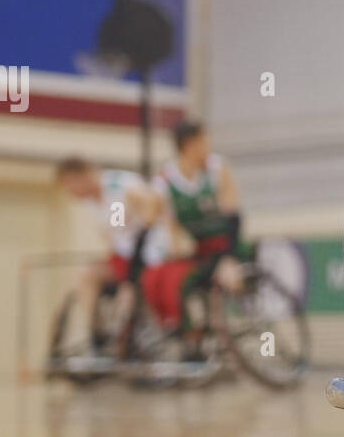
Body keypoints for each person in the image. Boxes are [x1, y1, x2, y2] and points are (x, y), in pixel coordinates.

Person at [55, 157, 165, 354]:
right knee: (87, 275)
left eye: (70, 185)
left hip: (147, 255)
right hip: (124, 257)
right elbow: (116, 234)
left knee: (126, 297)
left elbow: (153, 204)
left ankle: (133, 336)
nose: (71, 193)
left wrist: (145, 230)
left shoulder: (118, 185)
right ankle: (97, 335)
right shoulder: (92, 203)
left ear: (81, 176)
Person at [144, 121, 245, 334]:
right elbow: (158, 221)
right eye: (204, 142)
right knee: (156, 278)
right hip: (198, 252)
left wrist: (230, 258)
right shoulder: (166, 179)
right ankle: (180, 330)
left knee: (182, 281)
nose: (208, 147)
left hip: (227, 247)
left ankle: (190, 333)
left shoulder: (218, 168)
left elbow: (234, 216)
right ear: (190, 145)